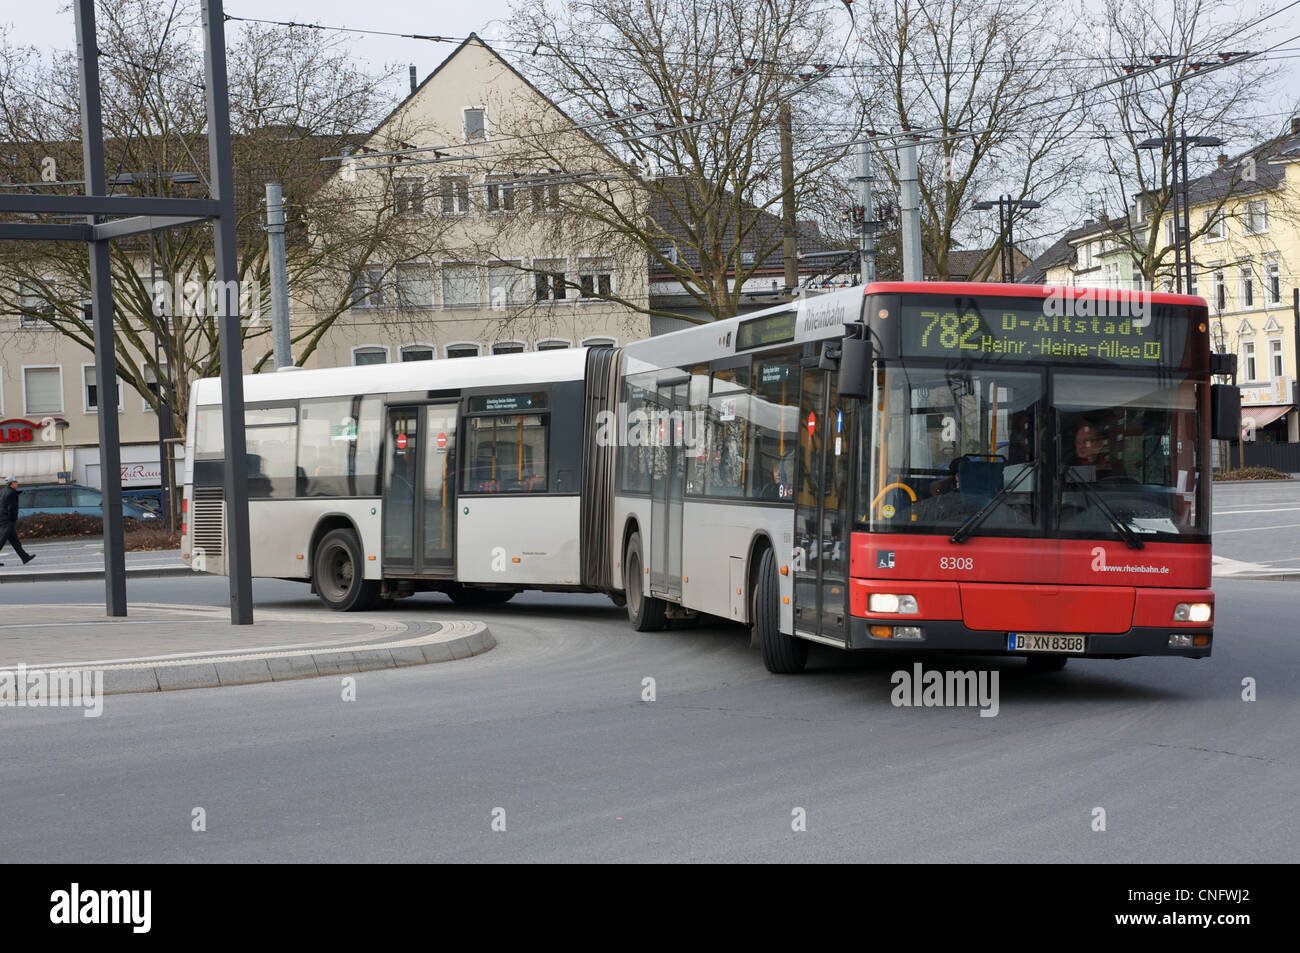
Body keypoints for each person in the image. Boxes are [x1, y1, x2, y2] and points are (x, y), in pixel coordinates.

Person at [0, 477, 35, 566]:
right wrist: (12, 518)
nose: (17, 483)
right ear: (12, 483)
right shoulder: (11, 493)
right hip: (7, 520)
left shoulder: (4, 491)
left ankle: (25, 557)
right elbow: (11, 507)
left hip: (3, 518)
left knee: (15, 541)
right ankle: (24, 557)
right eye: (15, 482)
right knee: (1, 540)